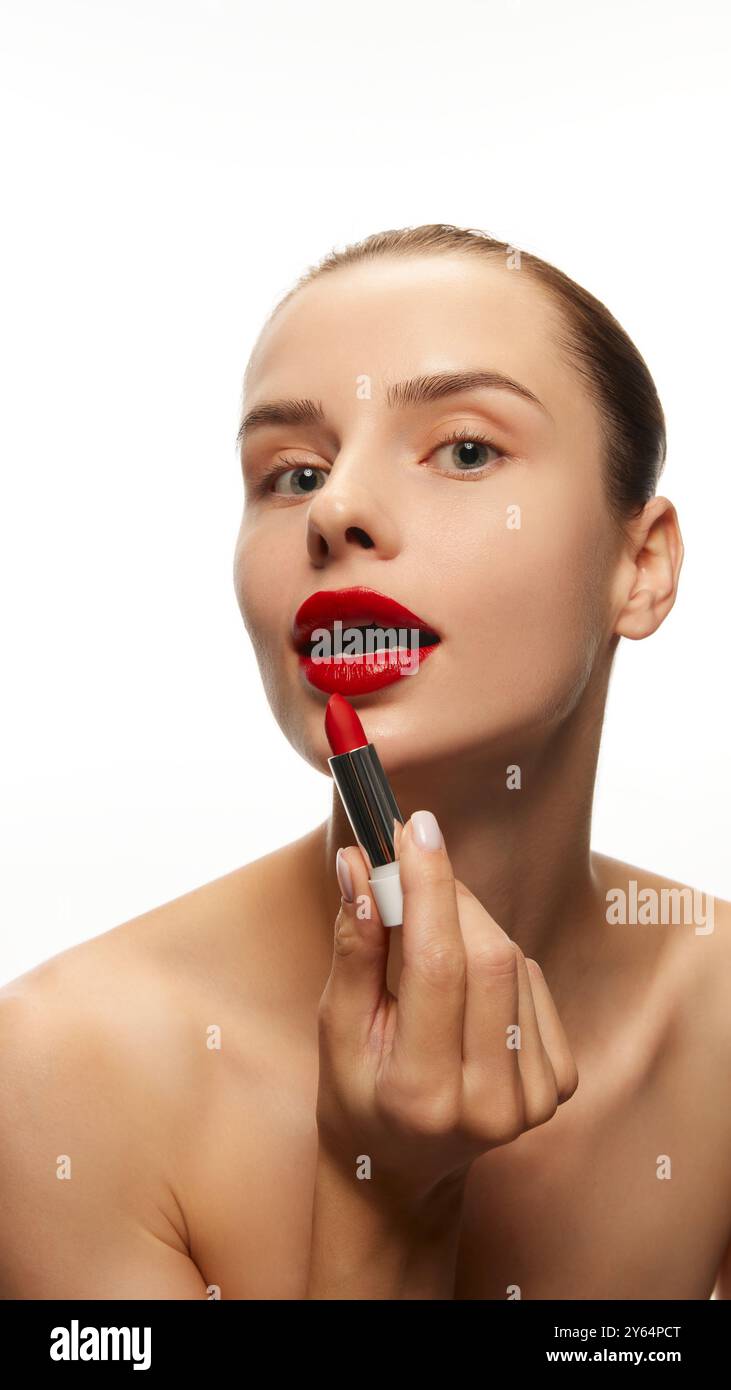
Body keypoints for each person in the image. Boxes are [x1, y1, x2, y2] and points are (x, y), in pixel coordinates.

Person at [1, 224, 728, 1301]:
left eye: (466, 450)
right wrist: (384, 1199)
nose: (334, 508)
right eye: (290, 472)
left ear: (640, 565)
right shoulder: (60, 1072)